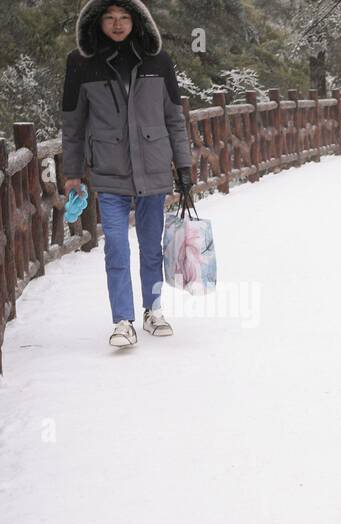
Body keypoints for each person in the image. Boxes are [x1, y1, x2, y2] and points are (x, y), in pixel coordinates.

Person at [61, 0, 193, 349]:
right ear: (97, 22)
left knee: (151, 247)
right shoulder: (81, 64)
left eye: (124, 18)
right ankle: (123, 320)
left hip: (153, 168)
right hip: (109, 171)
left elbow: (175, 120)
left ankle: (153, 310)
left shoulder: (159, 62)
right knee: (116, 247)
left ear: (137, 21)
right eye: (109, 18)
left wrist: (184, 169)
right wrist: (72, 173)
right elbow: (72, 126)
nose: (117, 24)